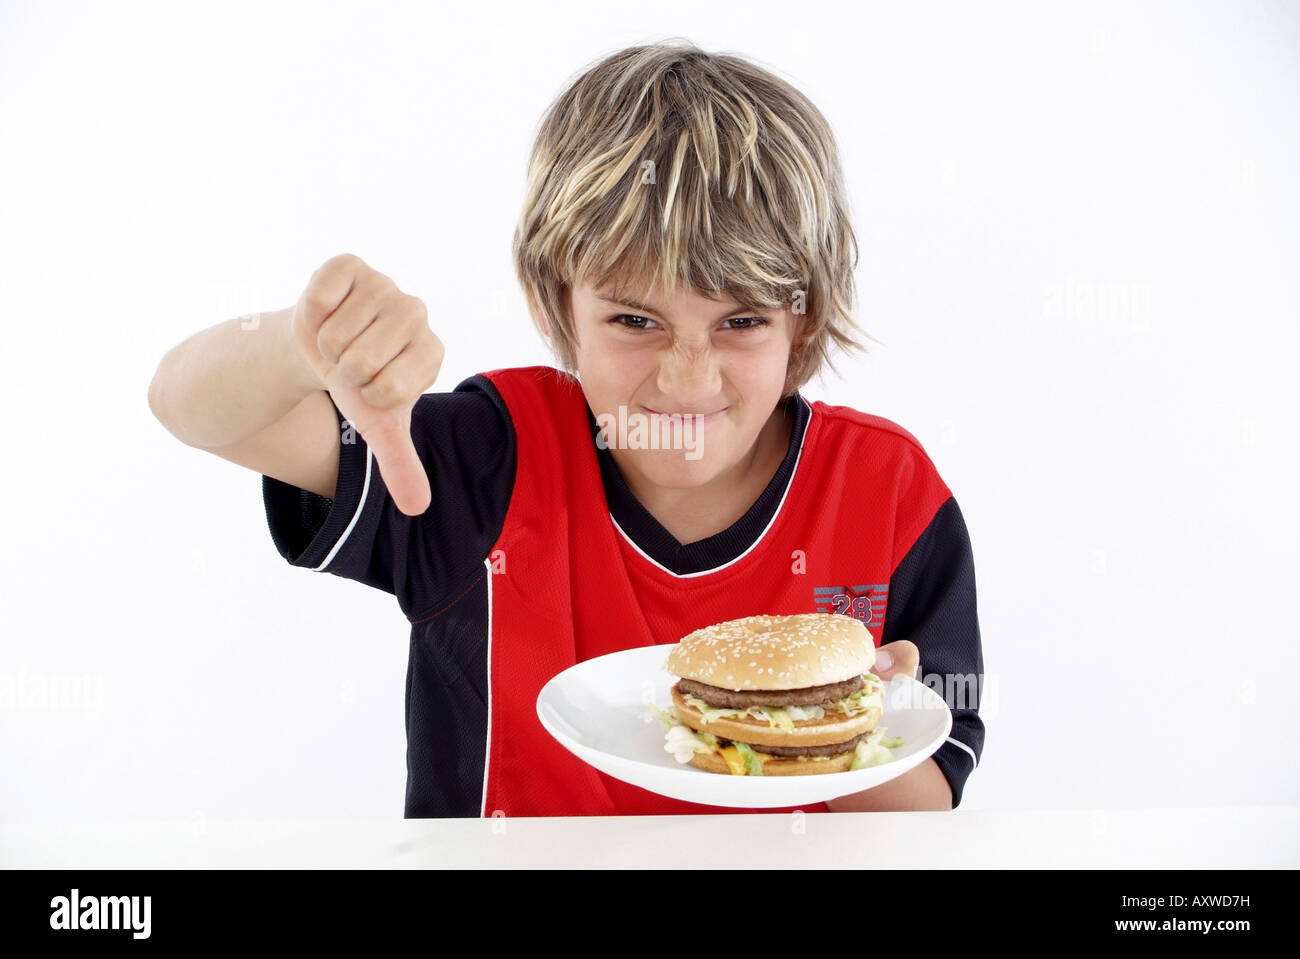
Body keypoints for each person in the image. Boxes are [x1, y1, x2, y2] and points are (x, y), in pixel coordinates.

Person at [148, 39, 985, 817]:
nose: (686, 379)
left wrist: (842, 735)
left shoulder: (890, 491)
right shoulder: (486, 459)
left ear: (802, 322)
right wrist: (303, 347)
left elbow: (931, 802)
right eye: (633, 319)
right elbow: (181, 404)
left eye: (742, 323)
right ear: (559, 305)